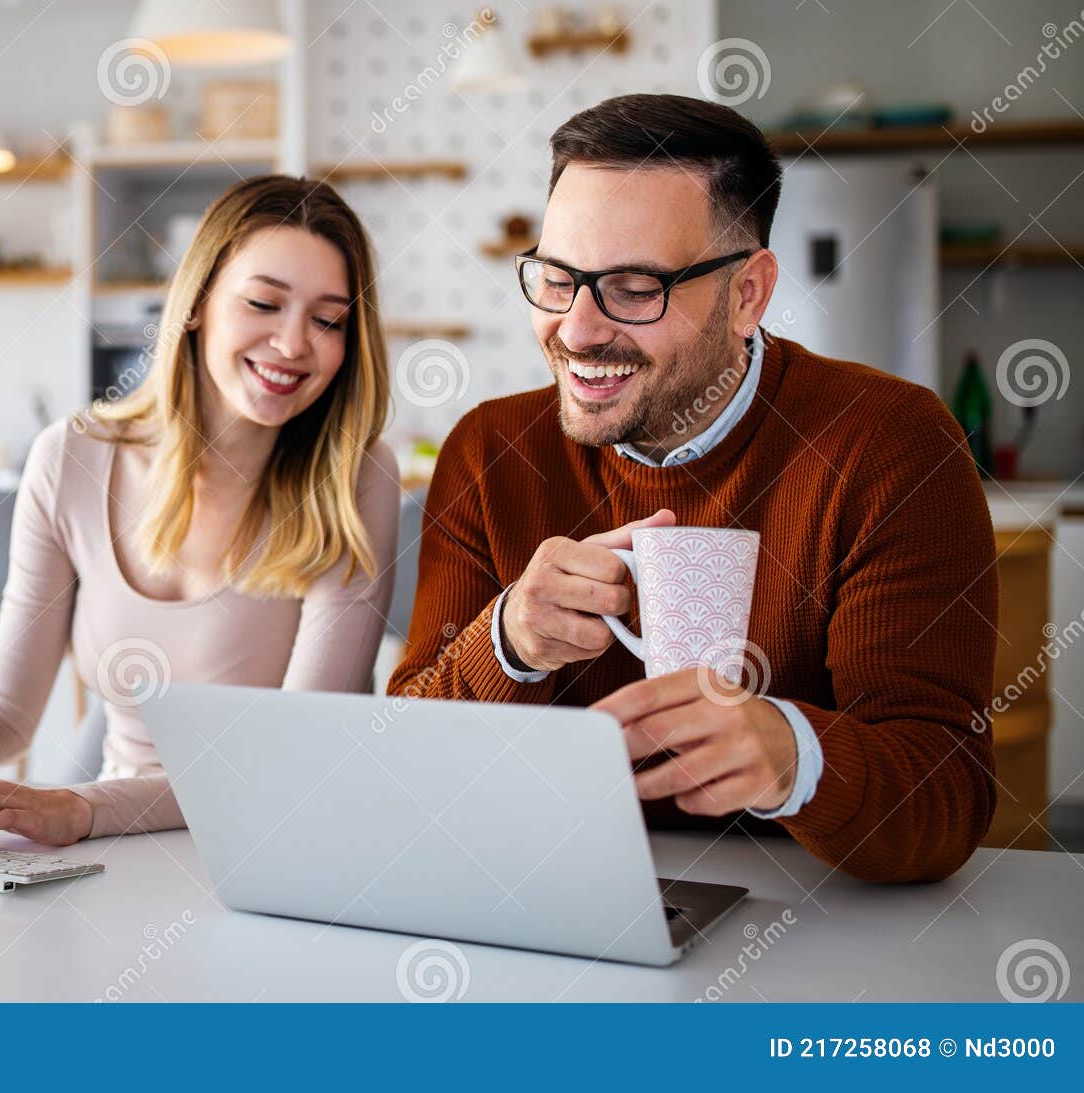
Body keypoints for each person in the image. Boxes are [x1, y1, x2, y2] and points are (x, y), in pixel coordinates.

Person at [388, 93, 996, 884]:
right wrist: (507, 642)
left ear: (748, 293)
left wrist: (794, 756)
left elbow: (945, 799)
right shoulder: (490, 450)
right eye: (557, 277)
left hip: (815, 935)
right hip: (547, 909)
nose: (577, 329)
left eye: (635, 288)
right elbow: (402, 766)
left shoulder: (892, 445)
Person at [0, 175, 400, 848]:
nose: (292, 343)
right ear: (196, 302)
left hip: (273, 847)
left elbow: (296, 757)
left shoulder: (353, 481)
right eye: (262, 303)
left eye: (328, 320)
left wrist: (80, 807)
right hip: (115, 853)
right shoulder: (72, 459)